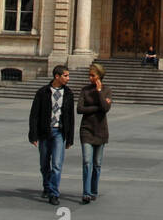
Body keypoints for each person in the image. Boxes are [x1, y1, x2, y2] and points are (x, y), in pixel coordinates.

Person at [29, 65, 74, 205]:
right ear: (57, 76)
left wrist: (70, 138)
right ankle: (47, 186)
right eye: (65, 76)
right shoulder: (43, 92)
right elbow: (34, 114)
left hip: (59, 132)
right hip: (44, 132)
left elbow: (70, 117)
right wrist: (33, 135)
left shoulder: (68, 93)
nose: (68, 78)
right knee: (44, 164)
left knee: (56, 164)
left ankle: (54, 193)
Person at [77, 63, 111, 204]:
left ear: (99, 76)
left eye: (93, 75)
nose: (90, 78)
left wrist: (98, 92)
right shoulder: (84, 90)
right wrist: (98, 107)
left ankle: (94, 190)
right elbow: (79, 109)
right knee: (86, 162)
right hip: (86, 129)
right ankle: (86, 192)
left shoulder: (106, 90)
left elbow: (105, 109)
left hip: (101, 131)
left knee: (97, 164)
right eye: (89, 75)